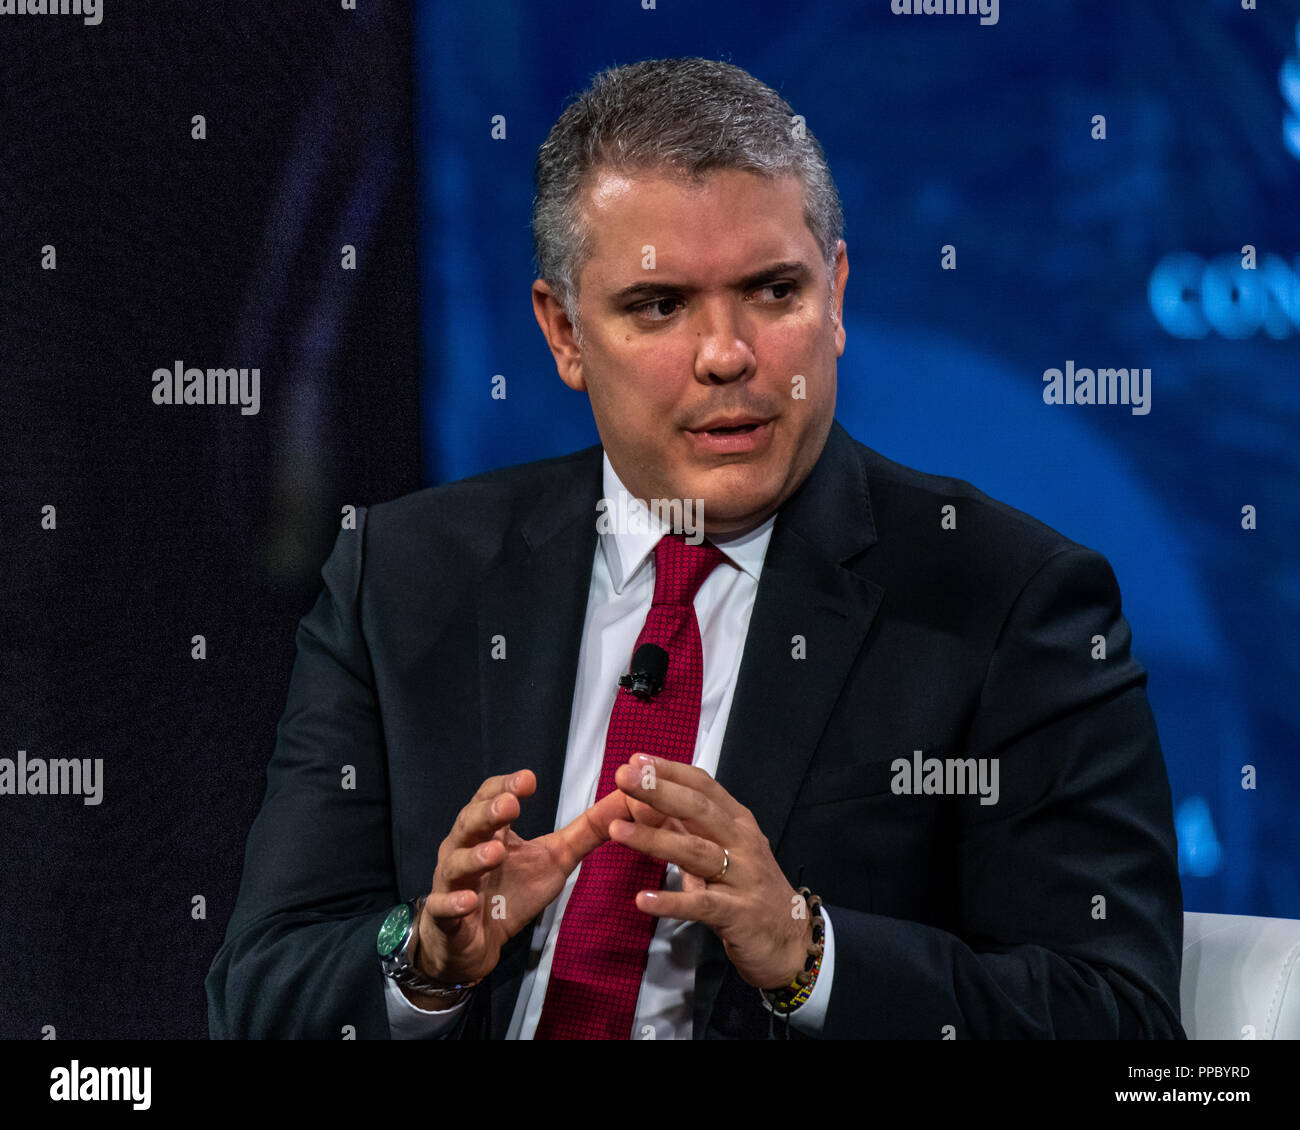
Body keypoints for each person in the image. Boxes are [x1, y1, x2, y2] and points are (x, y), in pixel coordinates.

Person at [205, 56, 1185, 1040]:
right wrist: (423, 956)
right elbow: (261, 986)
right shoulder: (404, 576)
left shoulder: (1006, 602)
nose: (727, 353)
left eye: (771, 290)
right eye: (660, 304)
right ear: (563, 333)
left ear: (835, 296)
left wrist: (809, 952)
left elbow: (1119, 1017)